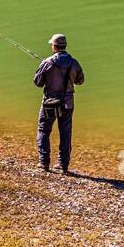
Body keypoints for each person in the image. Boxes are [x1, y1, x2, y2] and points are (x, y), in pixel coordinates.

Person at [33, 33, 85, 174]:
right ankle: (63, 165)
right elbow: (80, 81)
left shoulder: (47, 63)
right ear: (65, 46)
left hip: (50, 103)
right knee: (65, 133)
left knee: (44, 130)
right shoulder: (74, 63)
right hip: (68, 103)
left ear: (54, 46)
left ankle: (44, 162)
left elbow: (38, 83)